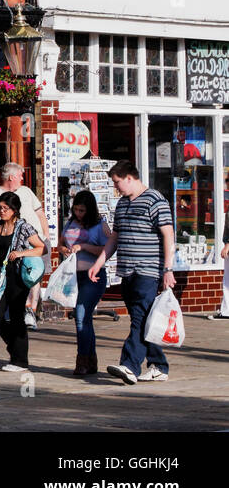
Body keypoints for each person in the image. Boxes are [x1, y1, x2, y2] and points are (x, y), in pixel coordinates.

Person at [90, 161, 175, 385]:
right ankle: (159, 365)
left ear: (129, 177)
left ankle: (129, 365)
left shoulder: (155, 200)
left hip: (148, 271)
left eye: (117, 182)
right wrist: (99, 263)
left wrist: (168, 269)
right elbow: (114, 239)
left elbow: (168, 235)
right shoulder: (121, 205)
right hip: (126, 271)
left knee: (139, 319)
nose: (116, 187)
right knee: (144, 319)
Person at [0, 192, 46, 373]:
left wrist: (21, 253)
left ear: (14, 210)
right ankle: (15, 349)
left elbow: (41, 248)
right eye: (0, 208)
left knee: (17, 317)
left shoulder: (24, 227)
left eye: (6, 208)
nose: (2, 212)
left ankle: (20, 361)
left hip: (17, 278)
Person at [0, 163, 48, 329]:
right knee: (18, 277)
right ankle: (17, 314)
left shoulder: (26, 191)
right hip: (11, 242)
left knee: (33, 276)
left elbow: (40, 214)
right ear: (11, 177)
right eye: (20, 175)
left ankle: (30, 311)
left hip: (34, 240)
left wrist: (46, 236)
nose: (22, 178)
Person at [59, 190, 113, 376]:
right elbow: (60, 242)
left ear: (89, 210)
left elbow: (107, 250)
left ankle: (82, 360)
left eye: (82, 210)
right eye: (76, 210)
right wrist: (64, 249)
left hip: (93, 275)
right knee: (85, 318)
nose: (79, 213)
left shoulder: (100, 225)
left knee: (81, 315)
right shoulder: (70, 222)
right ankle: (90, 360)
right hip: (73, 275)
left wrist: (83, 247)